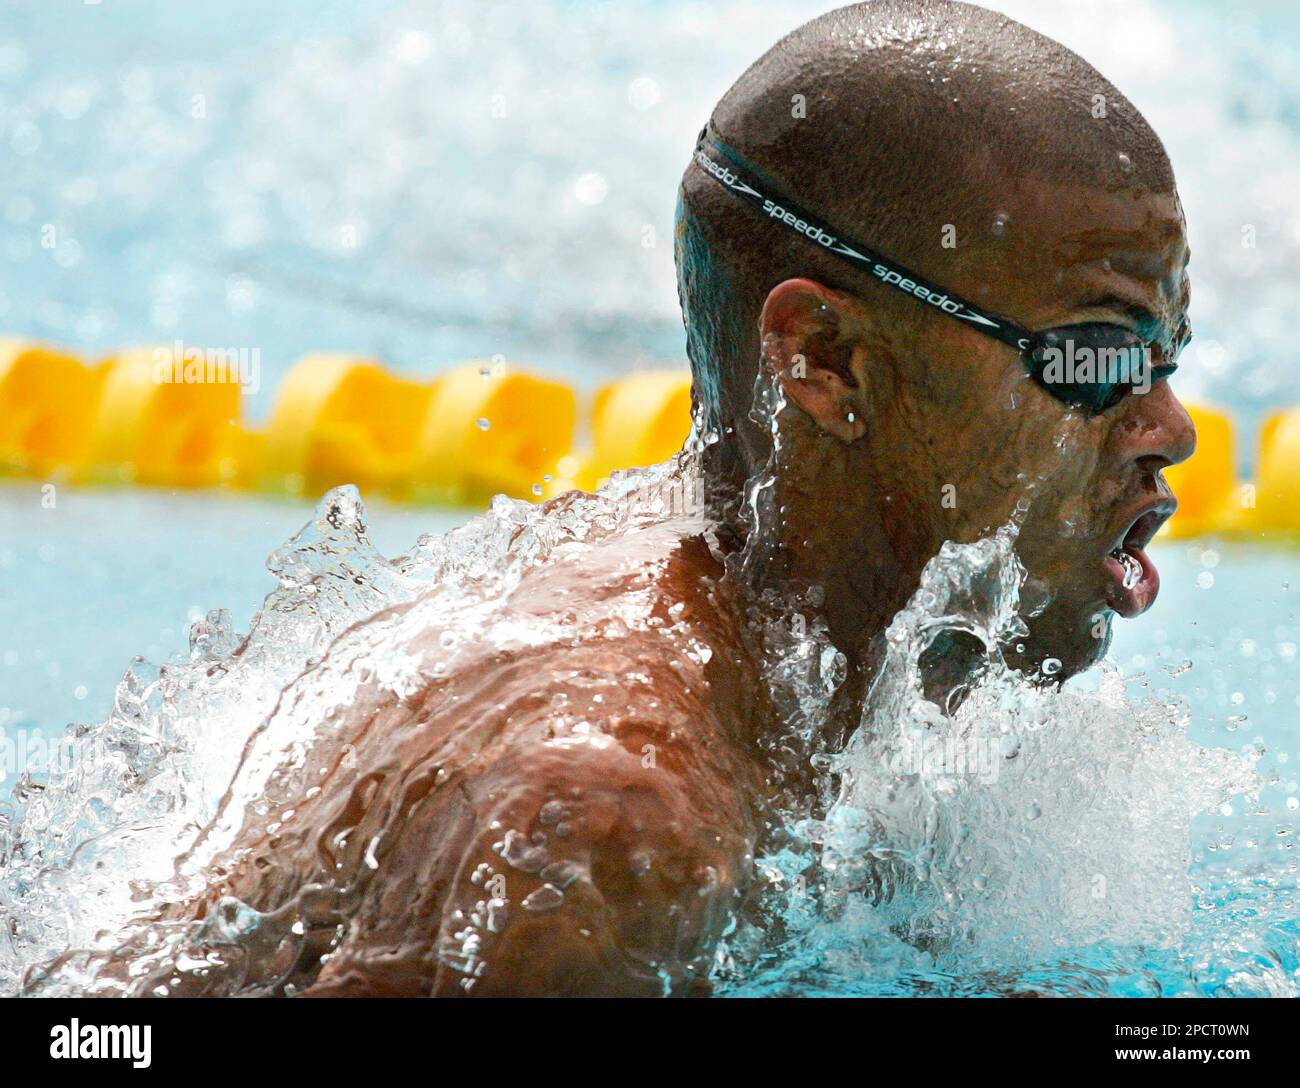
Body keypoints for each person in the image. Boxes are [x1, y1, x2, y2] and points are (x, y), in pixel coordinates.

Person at [142, 0, 1196, 997]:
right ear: (827, 361)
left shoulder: (833, 659)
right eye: (1095, 358)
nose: (1170, 429)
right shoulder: (605, 839)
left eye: (1166, 360)